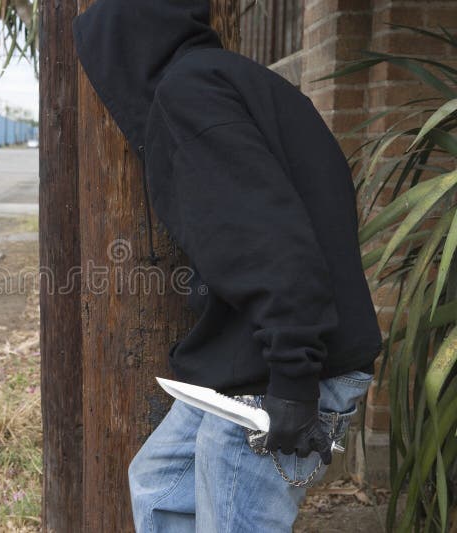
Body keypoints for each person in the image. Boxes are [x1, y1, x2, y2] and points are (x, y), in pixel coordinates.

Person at [73, 1, 383, 531]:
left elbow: (270, 238)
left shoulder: (189, 95)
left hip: (276, 369)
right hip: (249, 358)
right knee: (160, 484)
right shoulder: (229, 80)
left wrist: (293, 378)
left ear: (120, 49)